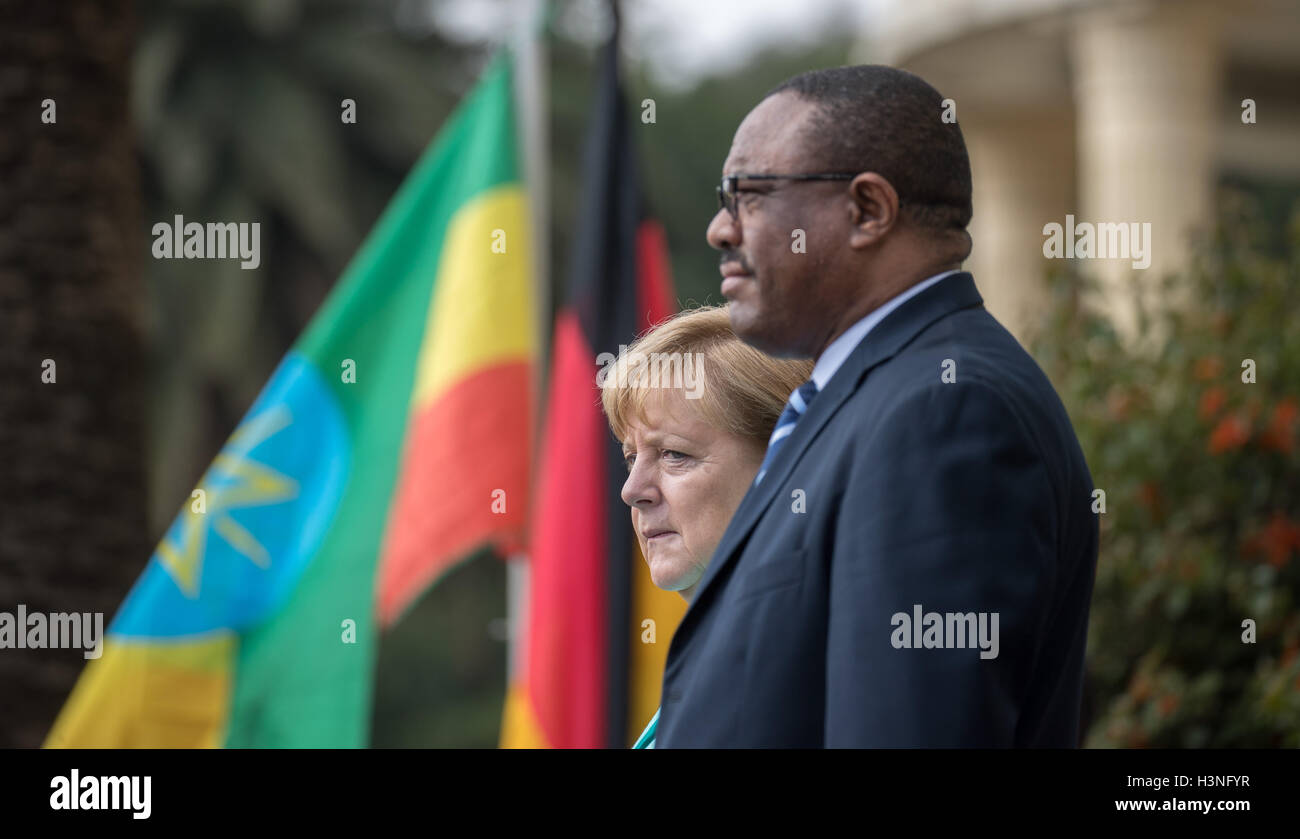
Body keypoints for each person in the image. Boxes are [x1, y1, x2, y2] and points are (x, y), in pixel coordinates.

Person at [655, 65, 1100, 747]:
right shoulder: (868, 400)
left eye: (749, 195)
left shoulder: (945, 411)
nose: (720, 228)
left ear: (867, 210)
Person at [599, 305, 812, 748]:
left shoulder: (814, 676)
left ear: (783, 465)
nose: (632, 490)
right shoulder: (717, 671)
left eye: (674, 454)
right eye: (631, 457)